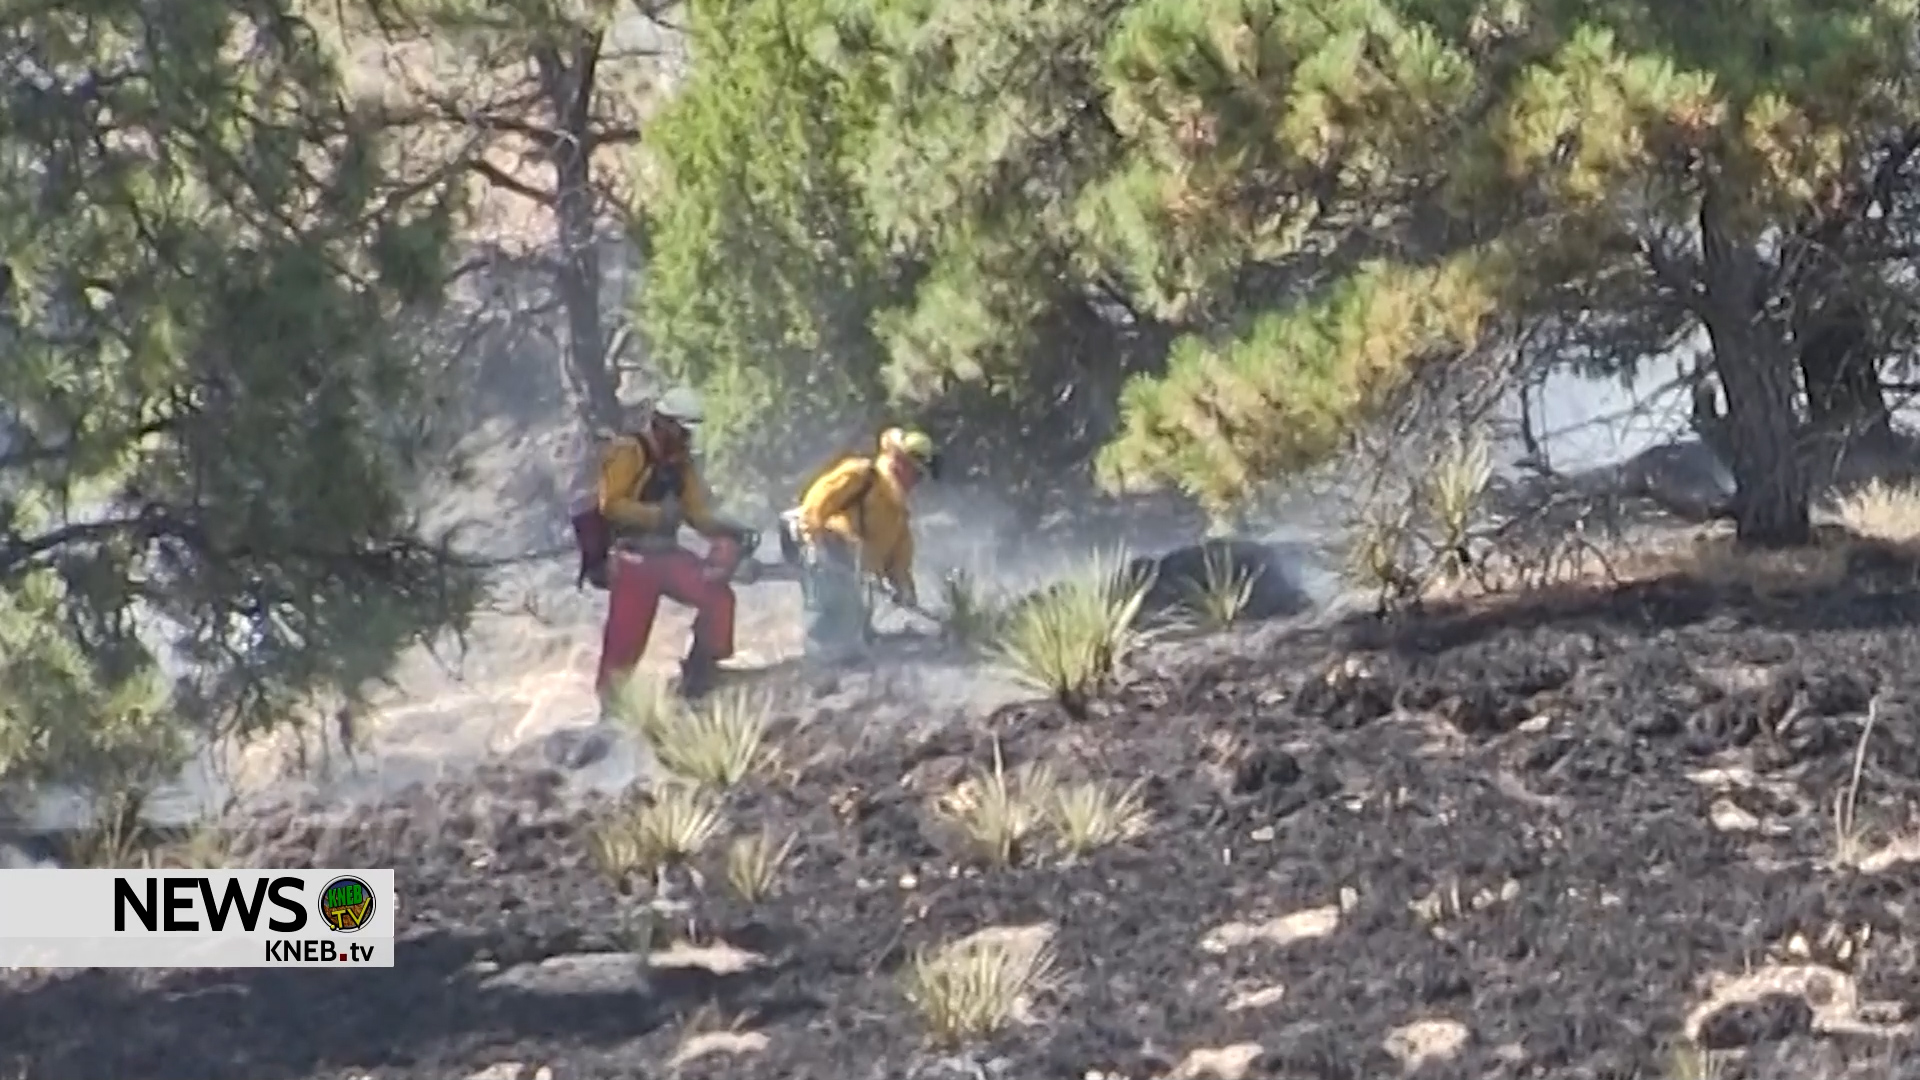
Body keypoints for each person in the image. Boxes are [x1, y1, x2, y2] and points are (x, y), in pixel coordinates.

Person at [594, 386, 755, 699]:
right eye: (683, 430)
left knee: (718, 598)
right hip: (633, 561)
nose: (686, 438)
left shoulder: (682, 464)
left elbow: (696, 512)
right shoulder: (629, 452)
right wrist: (655, 516)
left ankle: (700, 674)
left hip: (667, 557)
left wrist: (728, 529)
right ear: (663, 423)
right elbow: (609, 504)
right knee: (624, 642)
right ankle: (611, 707)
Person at [792, 426, 941, 662]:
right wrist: (817, 544)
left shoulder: (898, 512)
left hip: (855, 573)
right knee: (833, 614)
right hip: (828, 555)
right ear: (899, 461)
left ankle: (844, 658)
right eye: (916, 472)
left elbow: (899, 561)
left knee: (854, 623)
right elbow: (815, 507)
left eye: (920, 476)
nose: (916, 481)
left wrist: (904, 589)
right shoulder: (861, 476)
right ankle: (819, 668)